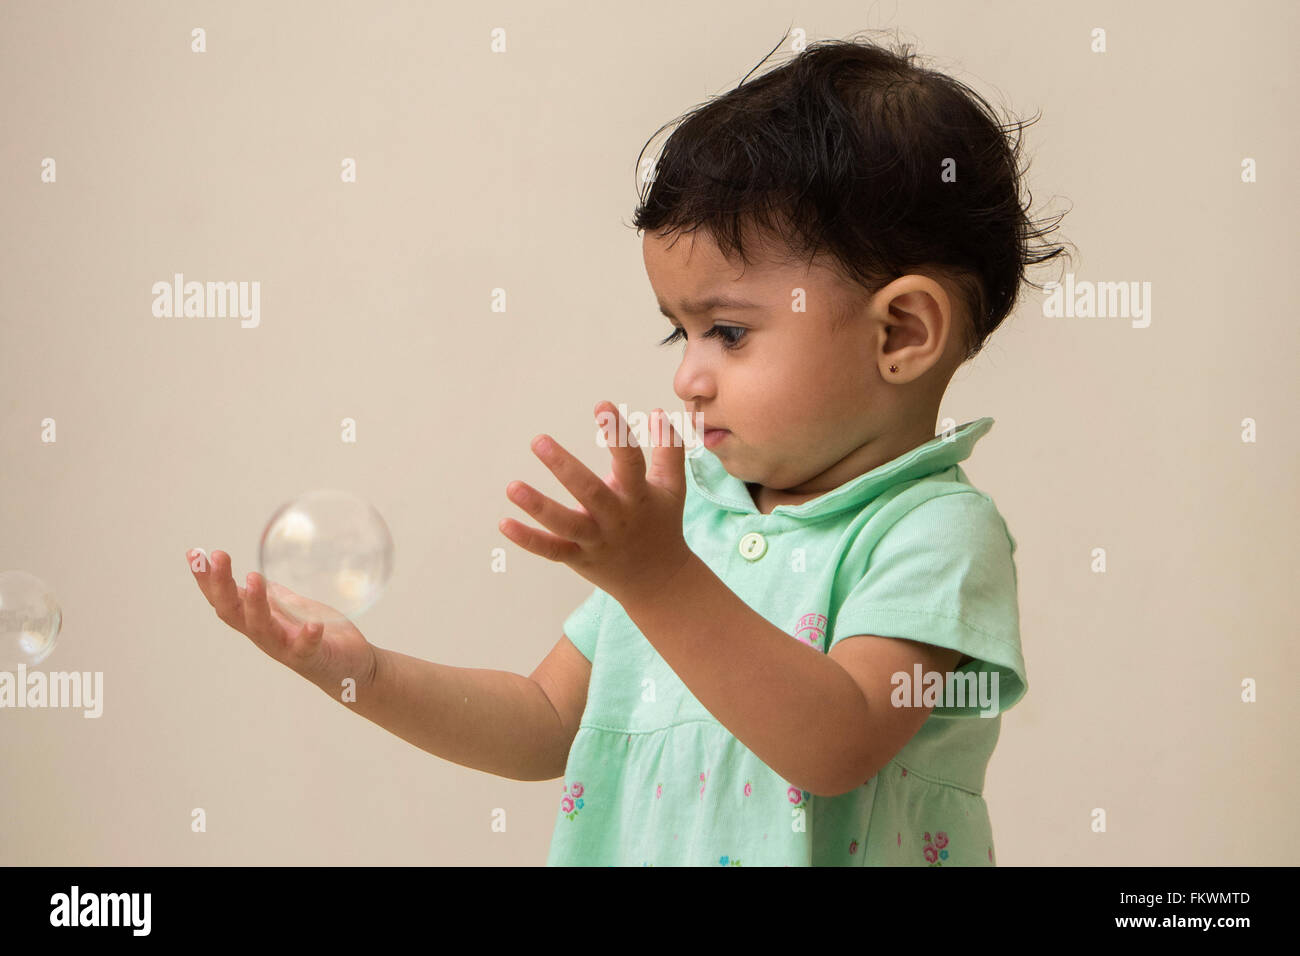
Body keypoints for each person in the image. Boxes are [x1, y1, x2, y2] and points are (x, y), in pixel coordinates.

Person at [188, 32, 1067, 865]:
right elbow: (544, 720)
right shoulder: (695, 522)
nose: (689, 377)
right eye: (675, 336)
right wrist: (366, 673)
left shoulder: (934, 534)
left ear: (901, 333)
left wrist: (655, 576)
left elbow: (834, 741)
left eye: (727, 331)